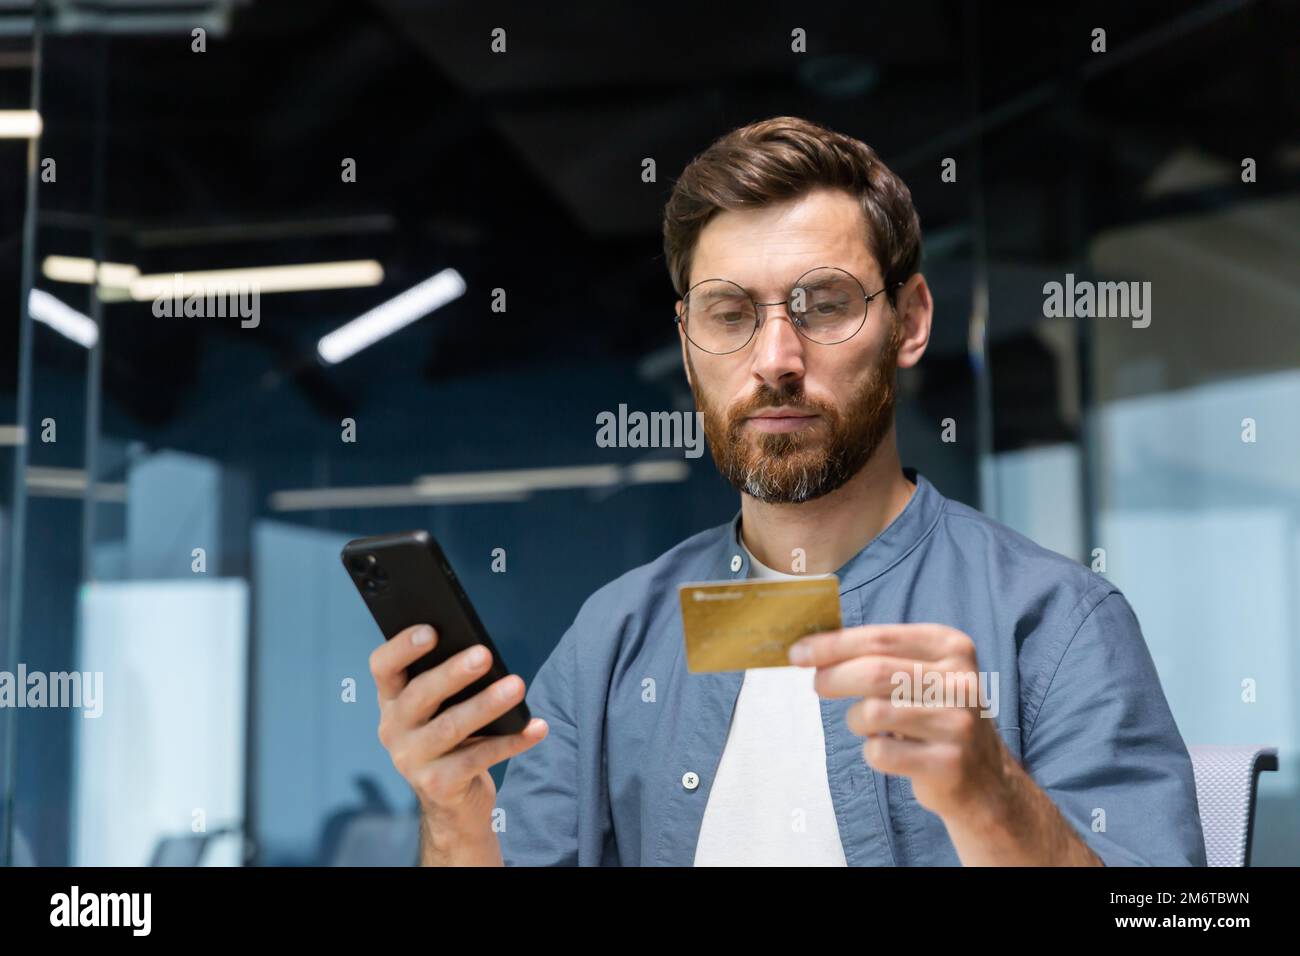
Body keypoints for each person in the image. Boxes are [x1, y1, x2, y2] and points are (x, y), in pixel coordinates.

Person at [369, 115, 1207, 867]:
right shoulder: (617, 638)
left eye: (823, 304)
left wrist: (996, 802)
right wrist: (456, 823)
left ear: (910, 322)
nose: (775, 358)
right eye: (730, 313)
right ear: (689, 341)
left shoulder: (1054, 623)